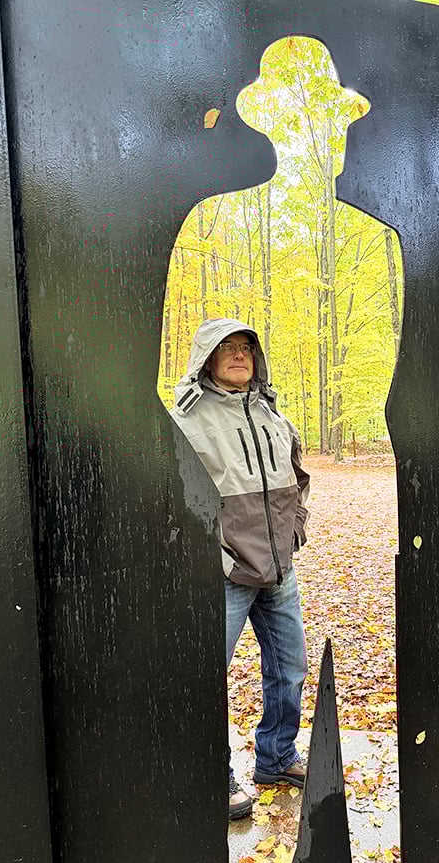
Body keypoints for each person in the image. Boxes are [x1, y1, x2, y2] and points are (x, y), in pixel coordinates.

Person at [171, 318, 310, 820]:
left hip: (278, 570)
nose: (237, 355)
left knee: (289, 670)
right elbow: (171, 498)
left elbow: (298, 476)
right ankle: (210, 773)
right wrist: (214, 556)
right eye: (226, 348)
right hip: (223, 574)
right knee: (205, 678)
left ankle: (277, 758)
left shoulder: (272, 414)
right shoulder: (184, 419)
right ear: (206, 357)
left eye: (246, 348)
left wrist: (295, 529)